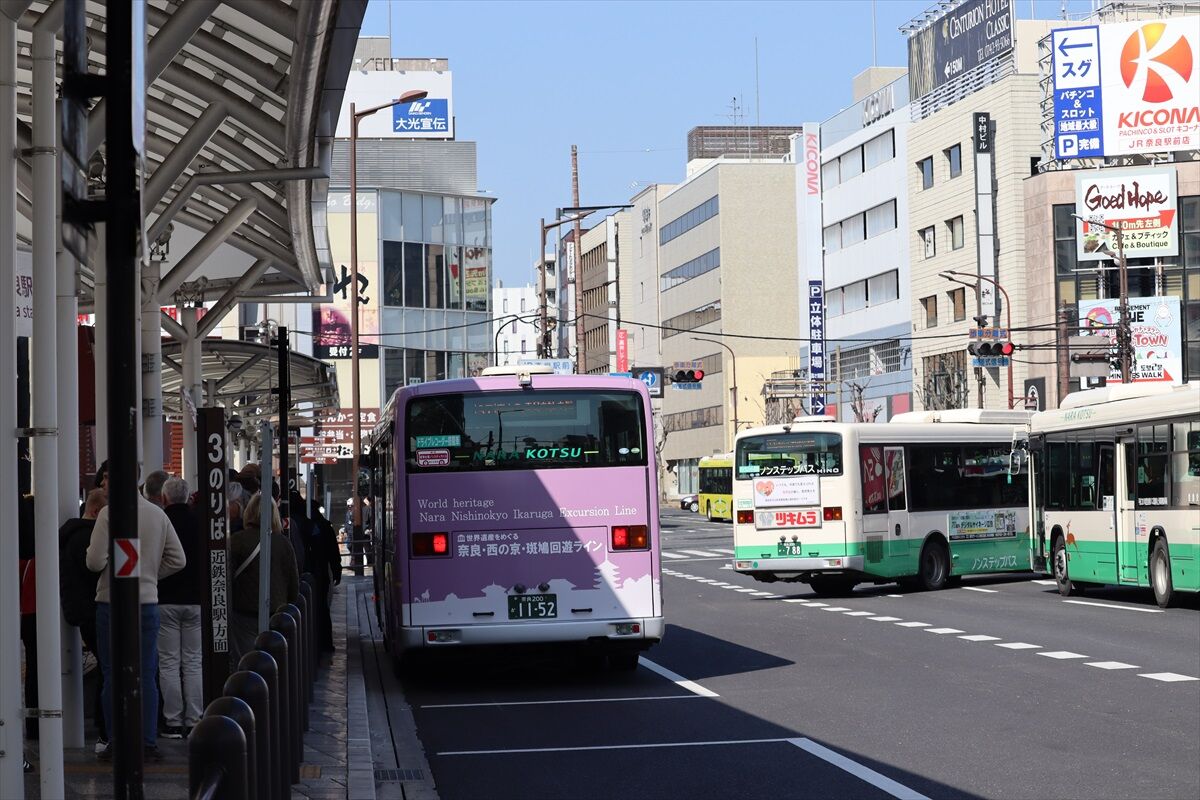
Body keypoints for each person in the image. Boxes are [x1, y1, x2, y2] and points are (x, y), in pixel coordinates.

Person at [86, 478, 187, 761]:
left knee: (111, 674)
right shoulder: (158, 514)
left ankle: (116, 741)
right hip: (147, 602)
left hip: (111, 602)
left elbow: (94, 562)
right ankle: (147, 742)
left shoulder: (108, 513)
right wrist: (150, 575)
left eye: (108, 479)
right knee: (146, 674)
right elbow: (178, 560)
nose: (105, 484)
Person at [59, 489, 108, 752]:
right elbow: (95, 570)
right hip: (92, 610)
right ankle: (105, 726)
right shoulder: (88, 538)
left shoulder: (70, 534)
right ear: (97, 512)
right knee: (107, 667)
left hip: (77, 609)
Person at [156, 477, 204, 739]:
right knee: (194, 661)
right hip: (196, 600)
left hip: (165, 599)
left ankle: (173, 722)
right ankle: (195, 718)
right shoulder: (200, 522)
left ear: (164, 499)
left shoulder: (162, 522)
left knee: (169, 663)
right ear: (187, 498)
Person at [228, 493, 299, 660]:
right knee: (274, 664)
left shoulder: (236, 541)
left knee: (247, 662)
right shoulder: (283, 543)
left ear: (248, 512)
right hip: (276, 613)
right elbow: (293, 585)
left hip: (243, 613)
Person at [307, 503, 343, 652]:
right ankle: (325, 643)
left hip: (311, 573)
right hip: (321, 573)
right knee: (322, 608)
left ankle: (313, 644)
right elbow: (333, 552)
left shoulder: (306, 525)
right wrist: (336, 570)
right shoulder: (324, 526)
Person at [18, 493, 36, 742]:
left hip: (23, 614)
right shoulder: (40, 555)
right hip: (36, 614)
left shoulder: (18, 554)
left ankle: (32, 725)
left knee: (32, 670)